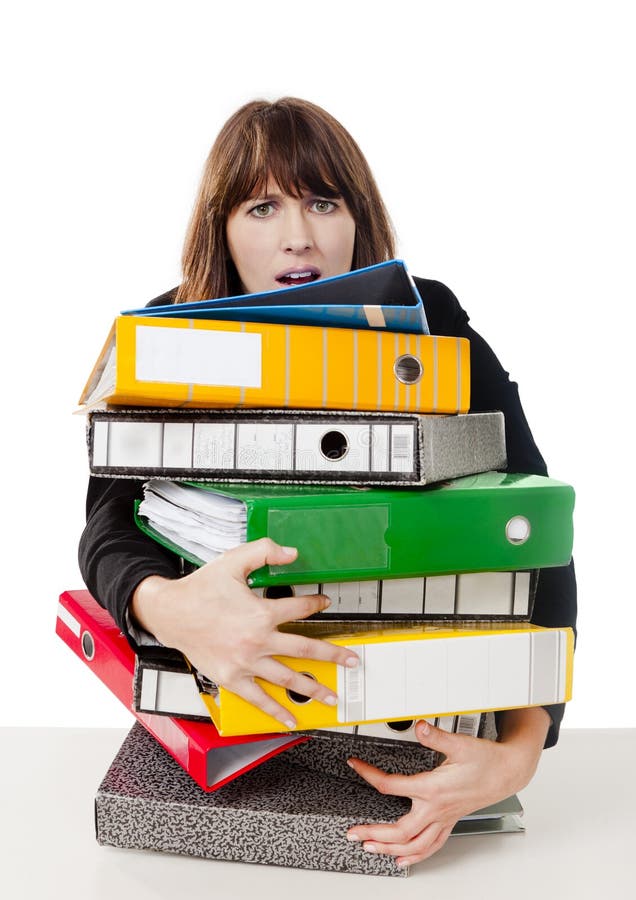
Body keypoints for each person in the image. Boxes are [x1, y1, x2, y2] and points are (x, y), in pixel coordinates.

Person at [79, 97, 577, 867]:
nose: (298, 235)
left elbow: (532, 529)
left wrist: (522, 748)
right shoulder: (171, 331)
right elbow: (107, 529)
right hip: (236, 706)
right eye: (263, 206)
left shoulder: (433, 324)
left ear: (357, 216)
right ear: (222, 225)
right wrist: (172, 609)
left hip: (406, 711)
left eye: (322, 200)